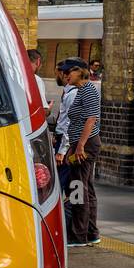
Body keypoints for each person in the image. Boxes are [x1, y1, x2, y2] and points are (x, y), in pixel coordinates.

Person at [57, 57, 101, 247]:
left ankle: (78, 235)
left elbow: (91, 119)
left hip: (86, 144)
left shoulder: (88, 91)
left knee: (78, 188)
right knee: (86, 187)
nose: (67, 75)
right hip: (80, 143)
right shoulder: (83, 90)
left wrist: (80, 145)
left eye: (70, 72)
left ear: (81, 72)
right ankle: (91, 232)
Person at [53, 60, 79, 193]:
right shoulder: (69, 93)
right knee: (71, 180)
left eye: (58, 73)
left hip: (68, 145)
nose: (56, 76)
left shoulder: (73, 94)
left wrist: (62, 150)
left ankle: (73, 211)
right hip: (64, 141)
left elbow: (71, 124)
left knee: (67, 181)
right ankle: (74, 210)